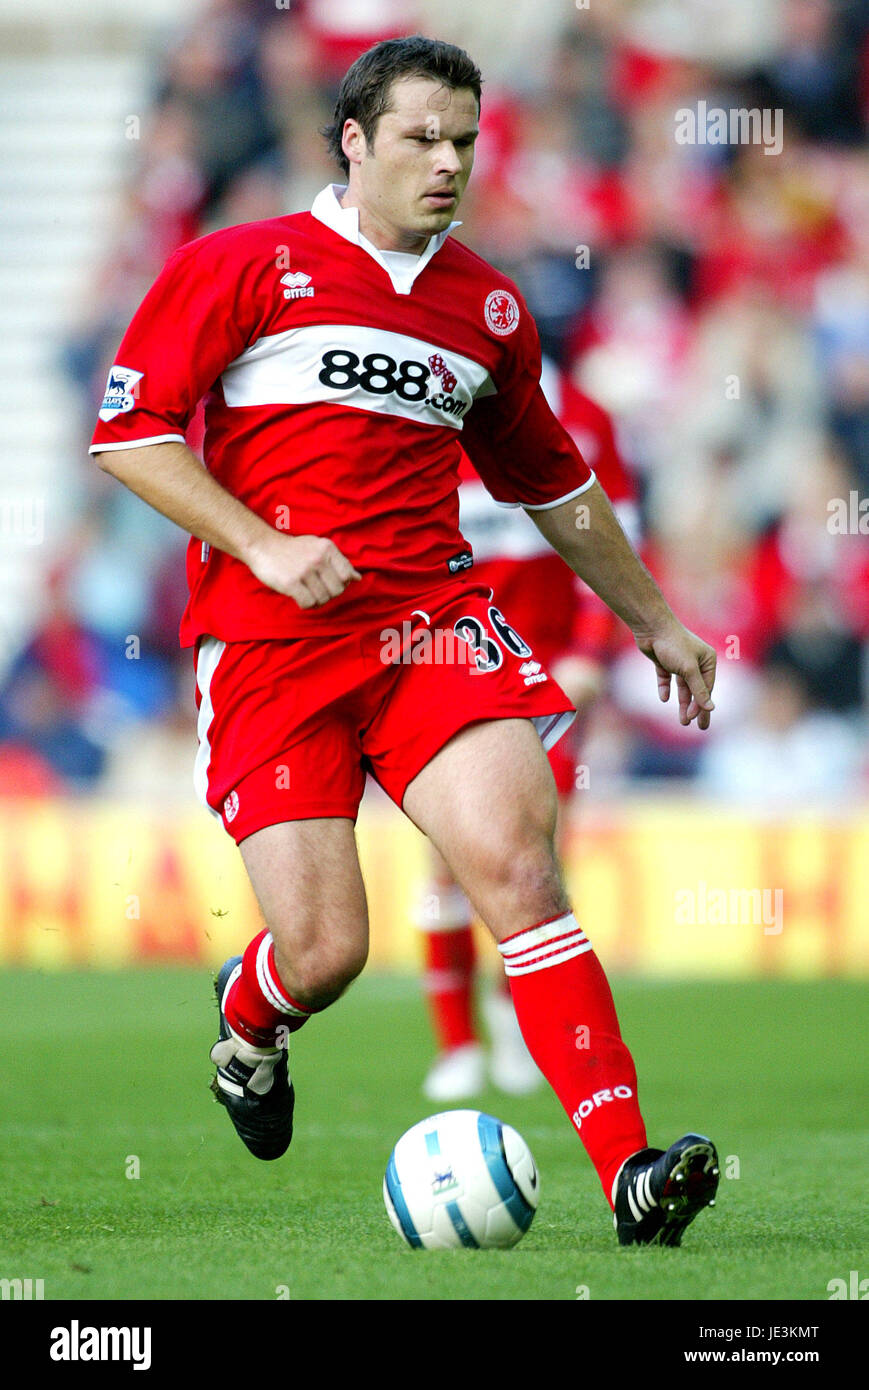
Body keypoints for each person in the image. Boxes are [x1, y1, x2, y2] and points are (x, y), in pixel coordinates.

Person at [89, 35, 719, 1248]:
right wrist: (261, 543)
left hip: (428, 629)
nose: (446, 164)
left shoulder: (483, 305)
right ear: (354, 141)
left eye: (465, 142)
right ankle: (254, 1019)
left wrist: (658, 623)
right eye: (421, 138)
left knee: (519, 867)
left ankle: (630, 1170)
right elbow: (130, 432)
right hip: (269, 646)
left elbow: (554, 485)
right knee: (325, 950)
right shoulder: (245, 263)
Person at [417, 366, 641, 1102]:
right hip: (454, 658)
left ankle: (512, 1016)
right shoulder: (422, 402)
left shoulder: (583, 415)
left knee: (532, 860)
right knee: (444, 854)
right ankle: (454, 1041)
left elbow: (610, 540)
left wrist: (589, 647)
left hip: (545, 670)